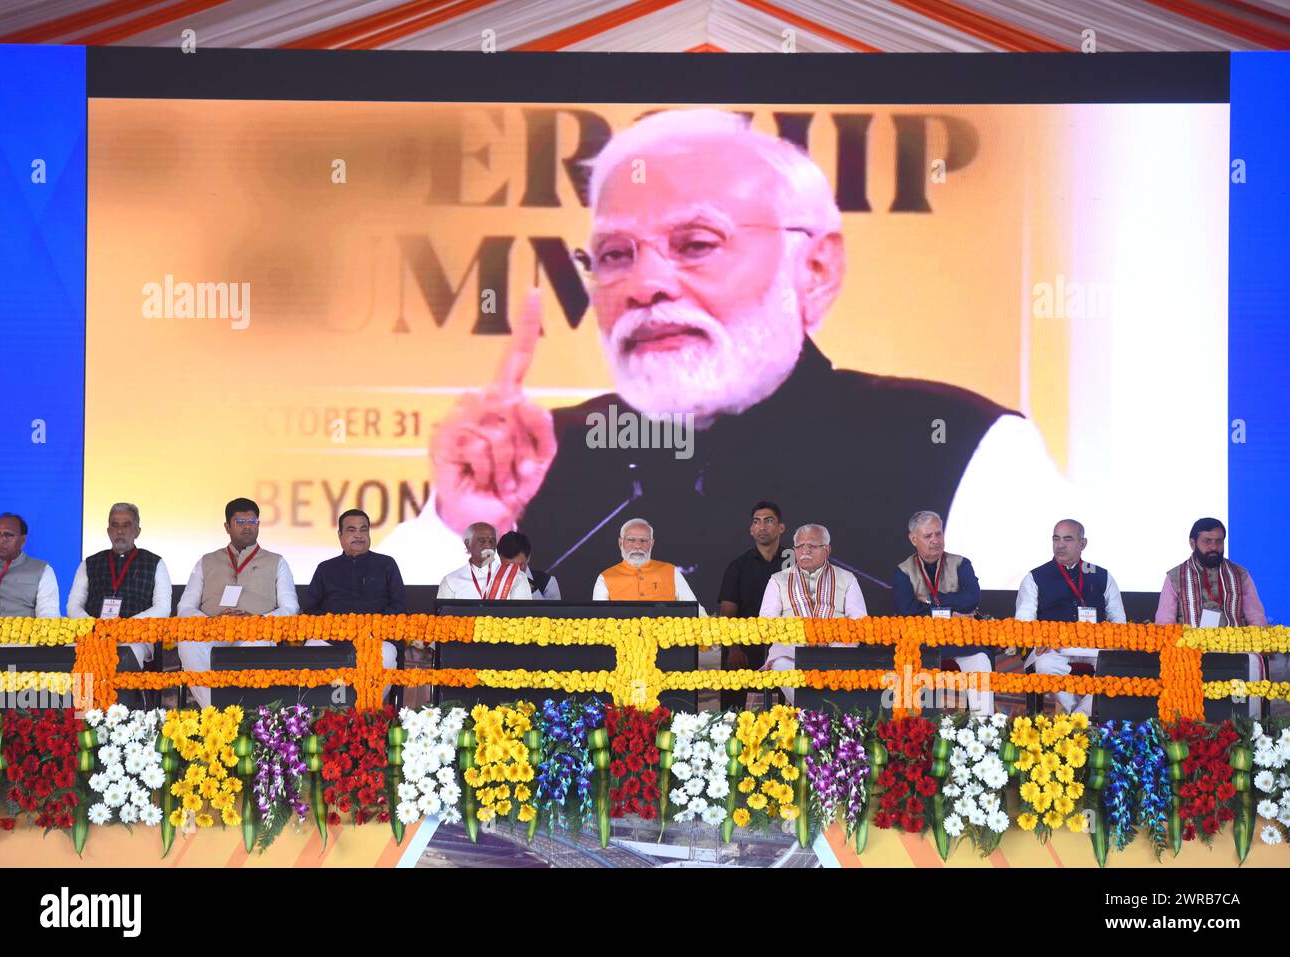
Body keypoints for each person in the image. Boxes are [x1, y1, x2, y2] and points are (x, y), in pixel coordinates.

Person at [386, 108, 1073, 601]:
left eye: (696, 243)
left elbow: (1040, 664)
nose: (647, 284)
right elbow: (387, 637)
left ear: (815, 268)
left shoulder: (963, 444)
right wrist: (464, 520)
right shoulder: (535, 458)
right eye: (616, 254)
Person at [177, 497, 300, 706]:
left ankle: (246, 713)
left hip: (256, 632)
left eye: (252, 522)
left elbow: (291, 608)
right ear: (227, 527)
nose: (248, 527)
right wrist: (211, 623)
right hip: (213, 631)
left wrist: (258, 621)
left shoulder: (277, 561)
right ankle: (214, 711)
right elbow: (185, 607)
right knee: (187, 643)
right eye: (240, 522)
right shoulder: (206, 561)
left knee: (258, 643)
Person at [1015, 519, 1125, 715]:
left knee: (1116, 668)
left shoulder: (1102, 576)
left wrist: (1114, 642)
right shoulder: (1035, 577)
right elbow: (1023, 622)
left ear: (1082, 544)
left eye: (1068, 539)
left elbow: (1118, 619)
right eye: (1056, 539)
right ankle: (1082, 718)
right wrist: (1039, 638)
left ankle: (1076, 719)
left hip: (1094, 645)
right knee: (1045, 665)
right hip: (1054, 646)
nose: (1060, 545)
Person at [1155, 517, 1266, 712]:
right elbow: (1165, 623)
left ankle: (1249, 724)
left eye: (1219, 541)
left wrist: (1260, 644)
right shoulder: (1175, 577)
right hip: (1189, 655)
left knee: (1253, 664)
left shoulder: (1240, 574)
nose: (1214, 546)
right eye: (1208, 541)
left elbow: (1256, 617)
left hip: (1234, 652)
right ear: (1192, 543)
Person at [892, 510, 992, 713]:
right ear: (913, 539)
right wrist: (951, 612)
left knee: (981, 662)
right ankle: (919, 733)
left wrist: (929, 601)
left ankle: (984, 732)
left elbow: (972, 598)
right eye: (928, 536)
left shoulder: (961, 563)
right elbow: (907, 611)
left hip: (962, 640)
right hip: (922, 643)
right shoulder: (903, 571)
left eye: (938, 534)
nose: (935, 540)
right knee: (907, 668)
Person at [761, 524, 868, 704]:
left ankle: (819, 717)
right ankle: (817, 715)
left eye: (812, 546)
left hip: (836, 649)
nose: (805, 551)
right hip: (792, 650)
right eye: (800, 546)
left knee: (846, 662)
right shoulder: (778, 580)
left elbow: (860, 620)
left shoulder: (847, 578)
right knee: (781, 666)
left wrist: (830, 635)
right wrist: (802, 636)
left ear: (827, 549)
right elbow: (766, 620)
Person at [303, 508, 407, 671]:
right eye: (351, 530)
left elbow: (399, 606)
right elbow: (310, 609)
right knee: (311, 648)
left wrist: (371, 627)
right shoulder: (325, 568)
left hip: (376, 637)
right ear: (340, 535)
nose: (359, 535)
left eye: (363, 529)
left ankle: (370, 698)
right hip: (333, 636)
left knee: (385, 655)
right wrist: (337, 626)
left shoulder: (386, 564)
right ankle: (323, 698)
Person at [65, 502, 169, 666]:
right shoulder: (90, 563)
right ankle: (81, 692)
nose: (120, 531)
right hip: (93, 633)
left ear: (137, 531)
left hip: (135, 636)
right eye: (115, 525)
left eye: (126, 525)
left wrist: (126, 627)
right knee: (70, 654)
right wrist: (93, 626)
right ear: (108, 531)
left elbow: (163, 608)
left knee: (124, 653)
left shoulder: (155, 562)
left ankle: (119, 693)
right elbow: (73, 604)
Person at [718, 500, 791, 709]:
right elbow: (727, 614)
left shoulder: (793, 564)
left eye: (769, 521)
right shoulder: (738, 567)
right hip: (745, 649)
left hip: (784, 645)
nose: (762, 526)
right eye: (757, 522)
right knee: (733, 701)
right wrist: (733, 649)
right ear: (751, 529)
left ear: (781, 527)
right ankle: (731, 732)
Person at [592, 518, 700, 607]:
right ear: (621, 543)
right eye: (631, 540)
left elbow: (695, 610)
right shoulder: (606, 577)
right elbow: (599, 617)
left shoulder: (670, 571)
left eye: (643, 540)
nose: (638, 546)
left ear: (651, 543)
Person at [436, 523, 531, 601]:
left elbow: (523, 617)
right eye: (482, 541)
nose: (488, 545)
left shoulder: (516, 576)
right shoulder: (451, 581)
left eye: (492, 541)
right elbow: (444, 619)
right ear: (468, 544)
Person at [0, 513, 59, 618]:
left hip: (21, 632)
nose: (1, 540)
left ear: (23, 540)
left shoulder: (41, 570)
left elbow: (48, 614)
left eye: (8, 535)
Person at [494, 531, 561, 600]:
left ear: (528, 557)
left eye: (519, 565)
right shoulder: (489, 581)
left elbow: (552, 610)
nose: (515, 570)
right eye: (508, 566)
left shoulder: (547, 582)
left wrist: (530, 588)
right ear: (500, 559)